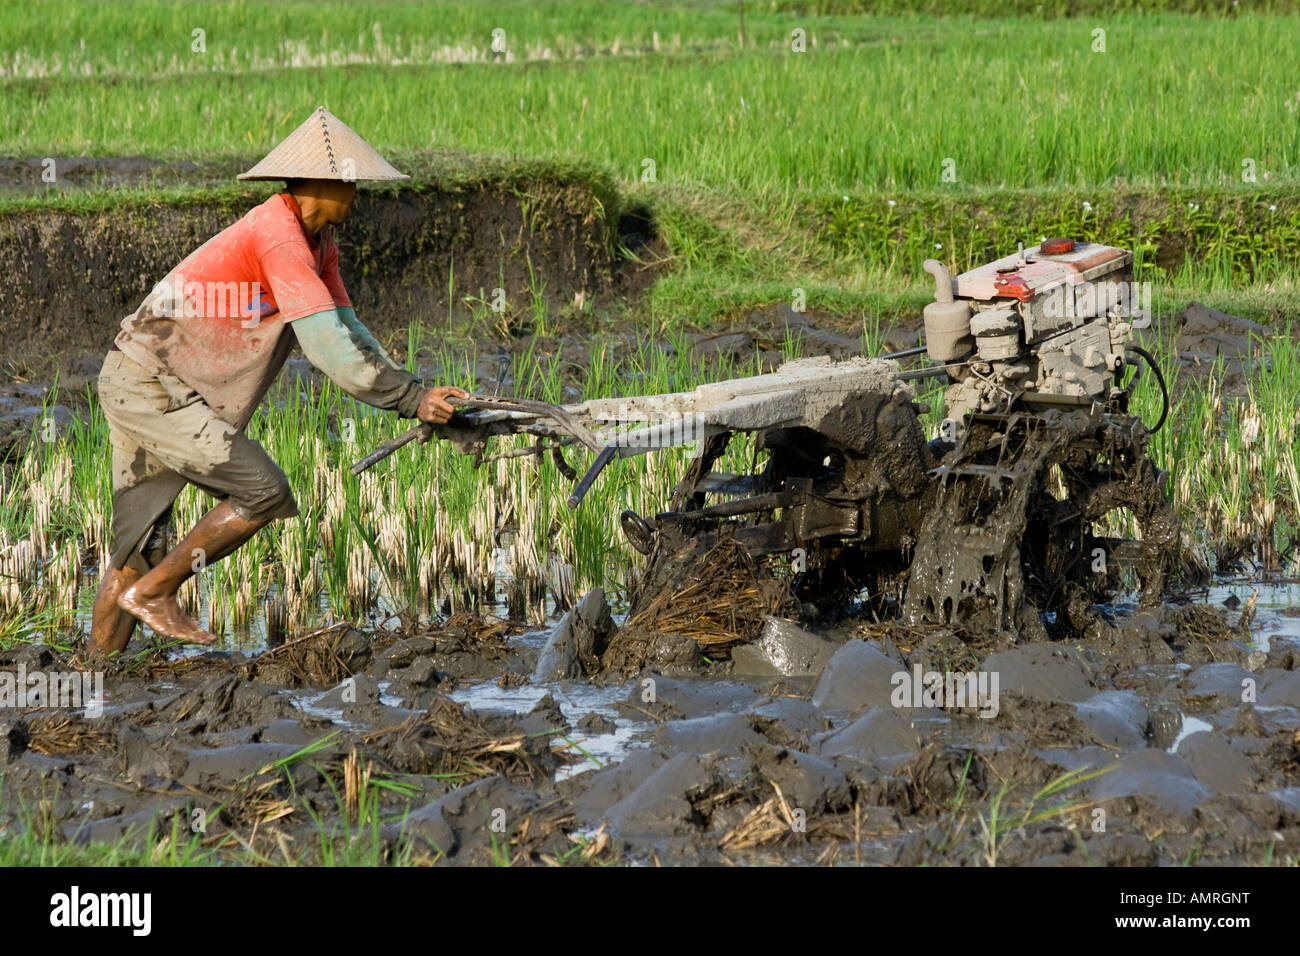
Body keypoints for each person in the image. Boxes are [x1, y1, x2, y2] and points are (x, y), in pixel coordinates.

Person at [88, 107, 466, 656]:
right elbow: (328, 348)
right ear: (320, 182)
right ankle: (158, 591)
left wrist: (413, 390)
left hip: (146, 379)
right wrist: (410, 399)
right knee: (264, 491)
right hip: (148, 384)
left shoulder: (317, 246)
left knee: (136, 547)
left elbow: (347, 327)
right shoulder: (279, 237)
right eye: (352, 182)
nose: (358, 194)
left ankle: (99, 676)